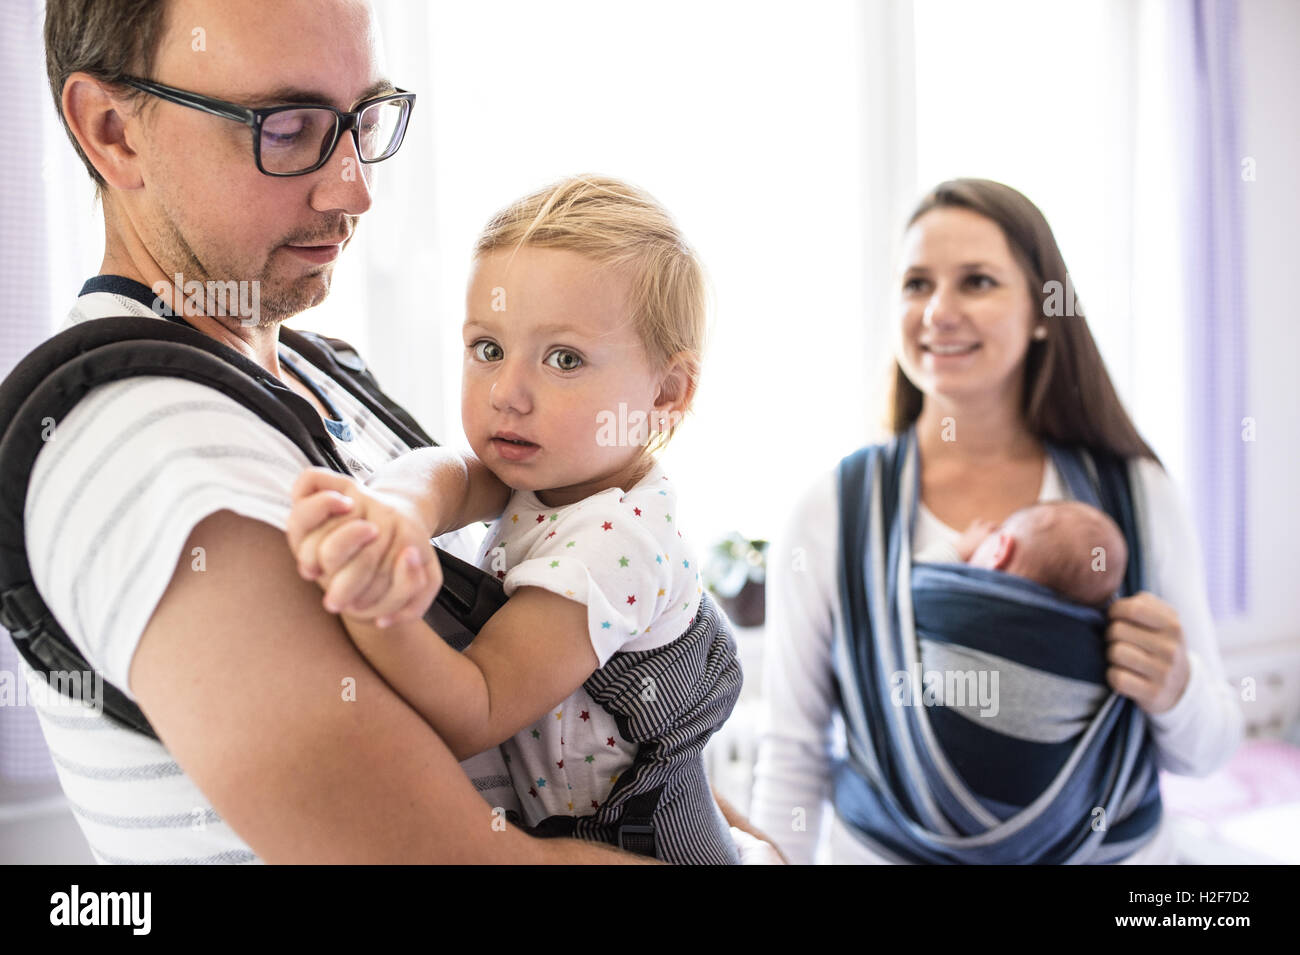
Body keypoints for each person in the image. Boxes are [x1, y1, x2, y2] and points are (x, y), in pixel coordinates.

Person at [22, 0, 773, 864]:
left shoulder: (325, 375)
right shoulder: (143, 438)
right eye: (290, 125)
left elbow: (601, 747)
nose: (357, 188)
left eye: (363, 120)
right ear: (114, 131)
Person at [750, 178, 1244, 864]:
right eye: (917, 283)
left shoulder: (1135, 493)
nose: (939, 311)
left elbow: (1209, 750)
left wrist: (1176, 687)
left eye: (977, 281)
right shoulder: (831, 511)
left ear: (1045, 311)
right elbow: (794, 754)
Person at [286, 177, 742, 864]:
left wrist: (373, 603)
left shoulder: (615, 544)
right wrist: (397, 513)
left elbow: (477, 707)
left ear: (666, 393)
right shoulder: (561, 470)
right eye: (488, 349)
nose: (508, 394)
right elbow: (447, 471)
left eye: (564, 359)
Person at [941, 500, 1128, 607]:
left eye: (996, 532)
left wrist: (955, 552)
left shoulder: (955, 598)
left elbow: (914, 587)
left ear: (1000, 551)